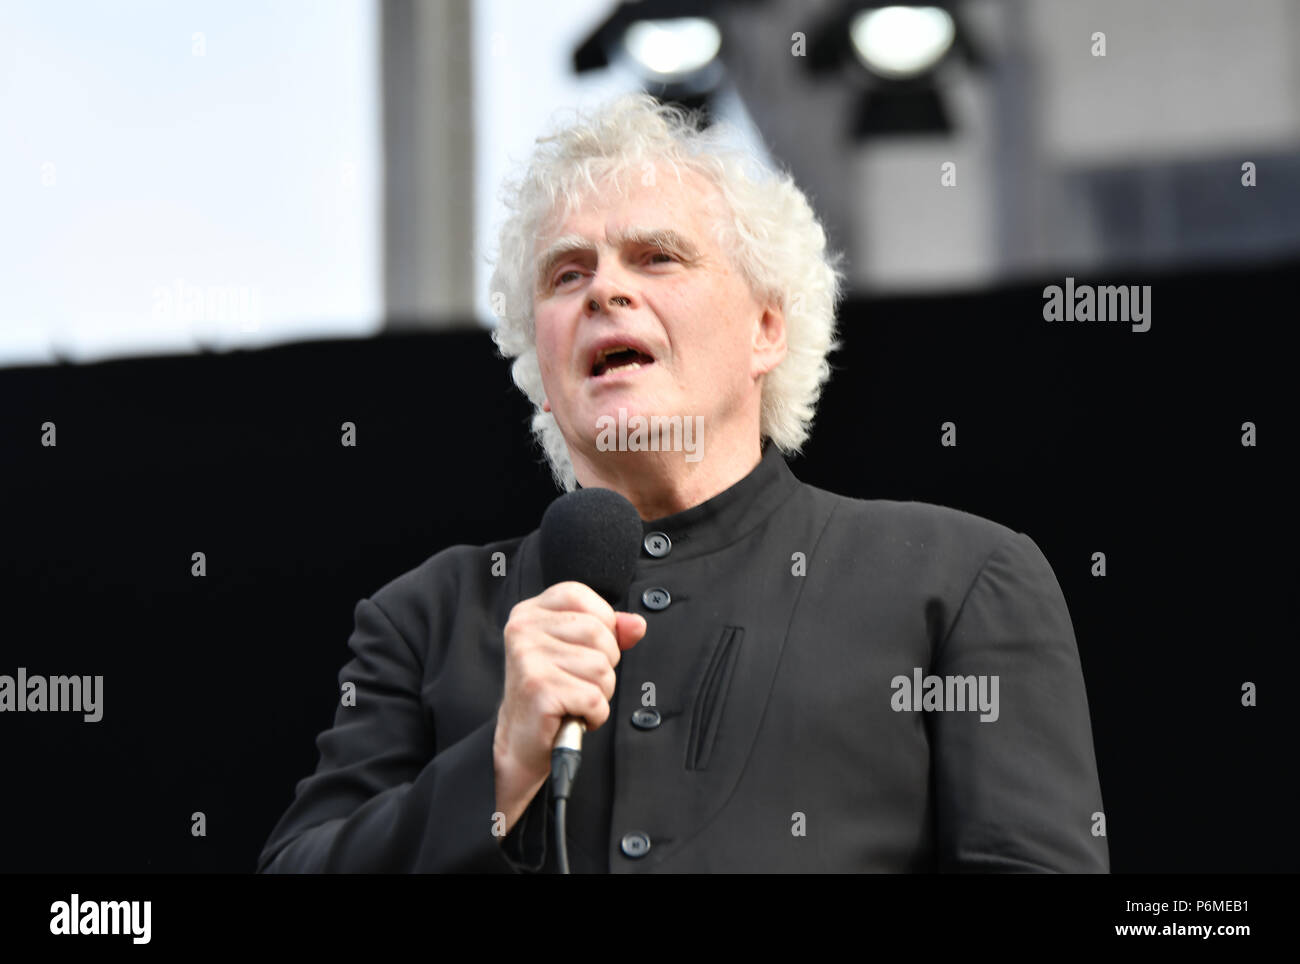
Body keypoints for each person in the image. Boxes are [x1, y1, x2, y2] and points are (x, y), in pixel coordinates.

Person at [257, 93, 1109, 873]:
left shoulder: (956, 580)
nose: (605, 290)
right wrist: (499, 768)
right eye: (567, 273)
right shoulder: (427, 616)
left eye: (657, 258)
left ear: (766, 329)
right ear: (542, 373)